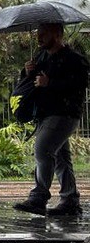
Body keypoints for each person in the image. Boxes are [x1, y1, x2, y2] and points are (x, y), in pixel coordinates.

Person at [13, 22, 89, 217]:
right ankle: (70, 201)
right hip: (46, 113)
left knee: (43, 150)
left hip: (64, 113)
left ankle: (38, 198)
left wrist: (50, 83)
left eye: (44, 33)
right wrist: (27, 72)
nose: (39, 37)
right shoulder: (42, 57)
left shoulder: (74, 59)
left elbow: (80, 84)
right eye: (39, 33)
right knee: (61, 158)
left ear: (57, 33)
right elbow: (32, 82)